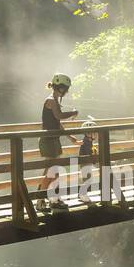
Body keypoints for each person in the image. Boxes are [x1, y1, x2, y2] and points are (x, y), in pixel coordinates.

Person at [38, 73, 79, 209]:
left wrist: (69, 137)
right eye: (66, 88)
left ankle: (51, 199)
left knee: (52, 171)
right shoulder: (51, 101)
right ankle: (41, 200)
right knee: (52, 171)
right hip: (48, 140)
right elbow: (59, 115)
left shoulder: (55, 100)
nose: (67, 91)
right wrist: (73, 113)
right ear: (60, 88)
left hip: (53, 140)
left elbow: (57, 122)